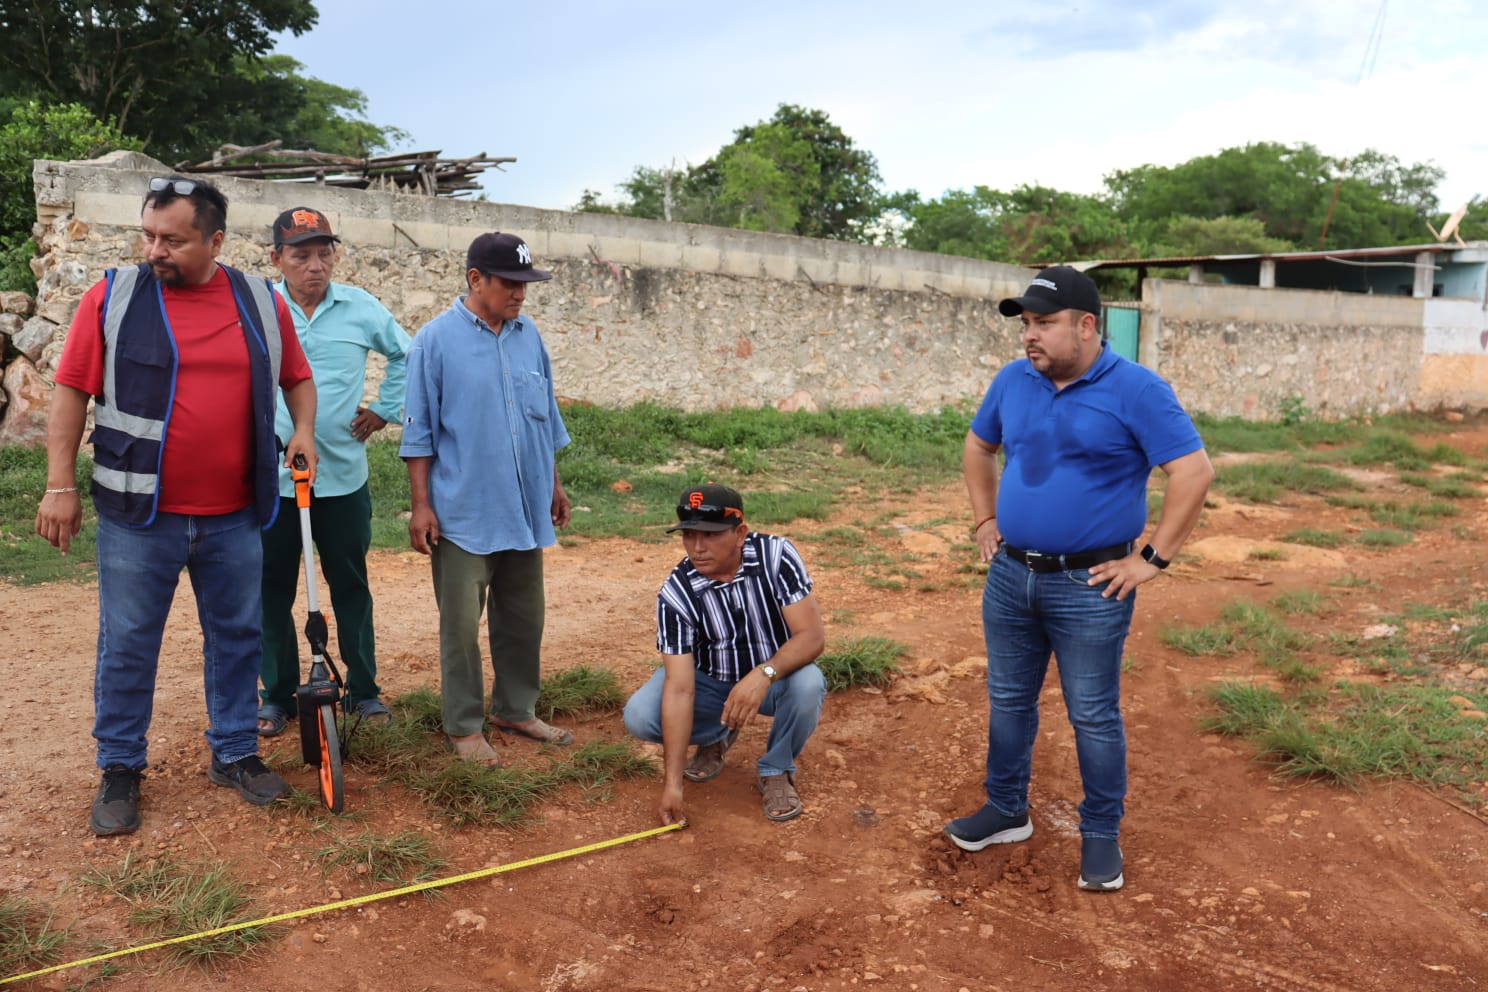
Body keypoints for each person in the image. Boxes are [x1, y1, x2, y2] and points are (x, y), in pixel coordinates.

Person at [34, 175, 318, 836]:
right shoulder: (113, 296)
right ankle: (121, 767)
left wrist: (302, 429)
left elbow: (297, 378)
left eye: (175, 240)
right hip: (140, 518)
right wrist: (59, 483)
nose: (156, 250)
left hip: (234, 515)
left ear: (215, 241)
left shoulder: (258, 300)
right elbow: (71, 391)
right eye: (150, 235)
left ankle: (235, 752)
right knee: (130, 643)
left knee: (237, 635)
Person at [944, 265, 1213, 892]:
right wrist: (985, 517)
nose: (1029, 337)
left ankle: (1100, 833)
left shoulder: (1138, 391)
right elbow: (979, 447)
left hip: (1090, 585)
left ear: (1087, 326)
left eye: (1043, 324)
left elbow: (1193, 472)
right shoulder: (1014, 381)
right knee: (1009, 700)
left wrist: (1150, 560)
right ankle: (1007, 808)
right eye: (1026, 325)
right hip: (1011, 577)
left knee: (1092, 714)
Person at [399, 232, 574, 766]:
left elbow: (544, 416)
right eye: (510, 283)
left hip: (523, 507)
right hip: (463, 512)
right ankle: (464, 726)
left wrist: (555, 483)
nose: (521, 294)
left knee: (524, 618)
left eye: (526, 284)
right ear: (476, 280)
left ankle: (515, 708)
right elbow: (419, 432)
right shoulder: (435, 341)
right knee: (460, 628)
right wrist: (422, 505)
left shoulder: (528, 336)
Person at [256, 207, 412, 738]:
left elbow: (405, 355)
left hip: (343, 477)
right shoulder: (257, 307)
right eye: (301, 255)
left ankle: (364, 692)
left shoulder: (360, 307)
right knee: (270, 590)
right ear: (277, 258)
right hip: (270, 482)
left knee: (350, 586)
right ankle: (274, 696)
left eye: (325, 253)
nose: (316, 266)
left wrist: (384, 408)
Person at [623, 483, 827, 825]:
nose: (697, 548)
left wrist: (764, 675)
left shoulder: (776, 556)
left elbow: (811, 637)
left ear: (739, 532)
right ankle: (718, 733)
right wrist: (672, 785)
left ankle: (776, 769)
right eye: (688, 535)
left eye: (710, 535)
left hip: (776, 678)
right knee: (641, 715)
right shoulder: (677, 592)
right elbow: (680, 688)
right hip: (710, 683)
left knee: (809, 683)